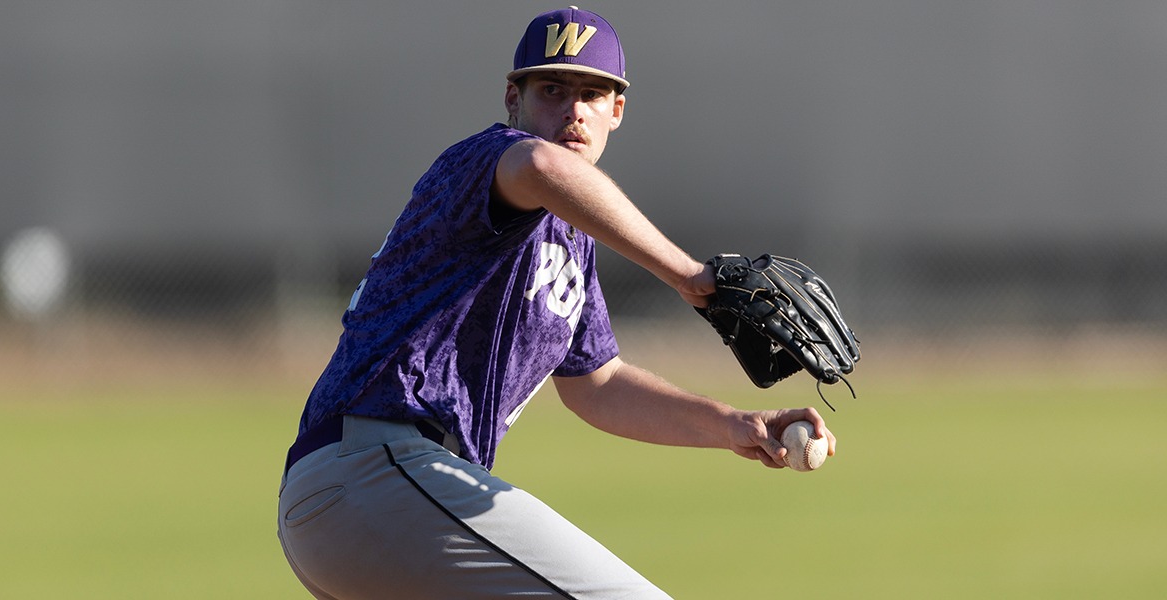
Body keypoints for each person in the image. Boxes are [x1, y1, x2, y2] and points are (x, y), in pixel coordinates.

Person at [277, 7, 836, 599]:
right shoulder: (487, 159)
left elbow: (597, 385)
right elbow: (542, 167)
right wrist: (690, 275)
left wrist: (736, 426)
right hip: (377, 471)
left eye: (593, 93)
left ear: (616, 111)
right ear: (513, 101)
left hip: (376, 505)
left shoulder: (569, 237)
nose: (573, 110)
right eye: (552, 89)